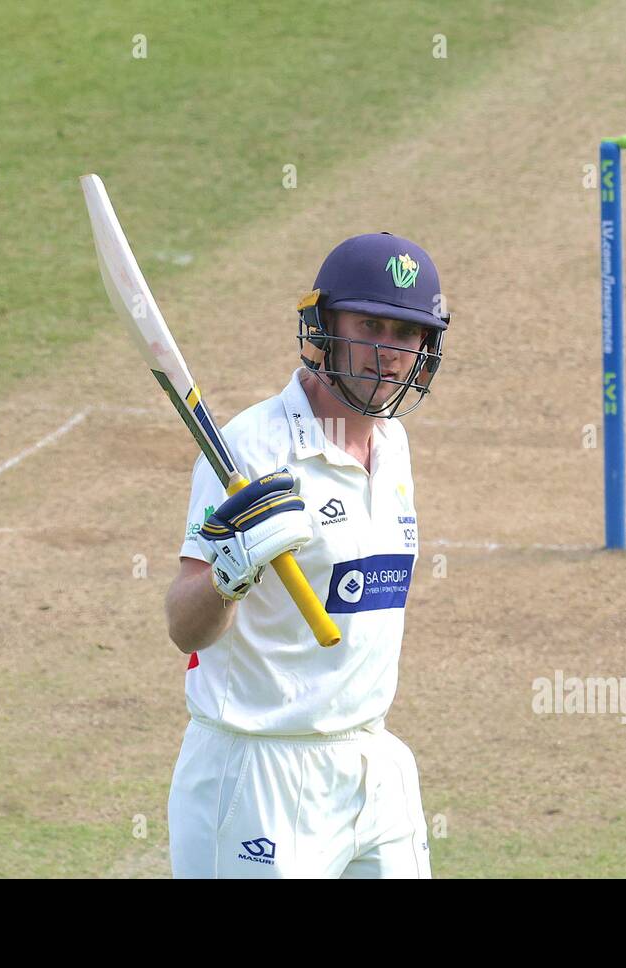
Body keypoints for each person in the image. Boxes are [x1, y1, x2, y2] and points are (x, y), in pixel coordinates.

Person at [164, 232, 450, 878]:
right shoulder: (251, 452)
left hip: (372, 765)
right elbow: (184, 624)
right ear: (323, 328)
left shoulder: (395, 446)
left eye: (406, 334)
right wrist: (231, 577)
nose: (388, 353)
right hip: (257, 776)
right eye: (371, 325)